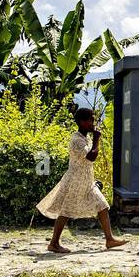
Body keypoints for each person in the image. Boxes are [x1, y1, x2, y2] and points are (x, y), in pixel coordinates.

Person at [37, 107, 126, 253]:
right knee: (65, 212)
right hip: (75, 182)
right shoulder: (77, 140)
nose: (93, 122)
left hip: (86, 181)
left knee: (102, 206)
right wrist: (97, 139)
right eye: (91, 119)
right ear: (82, 122)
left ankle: (109, 239)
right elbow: (91, 157)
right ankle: (53, 243)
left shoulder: (85, 137)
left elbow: (88, 161)